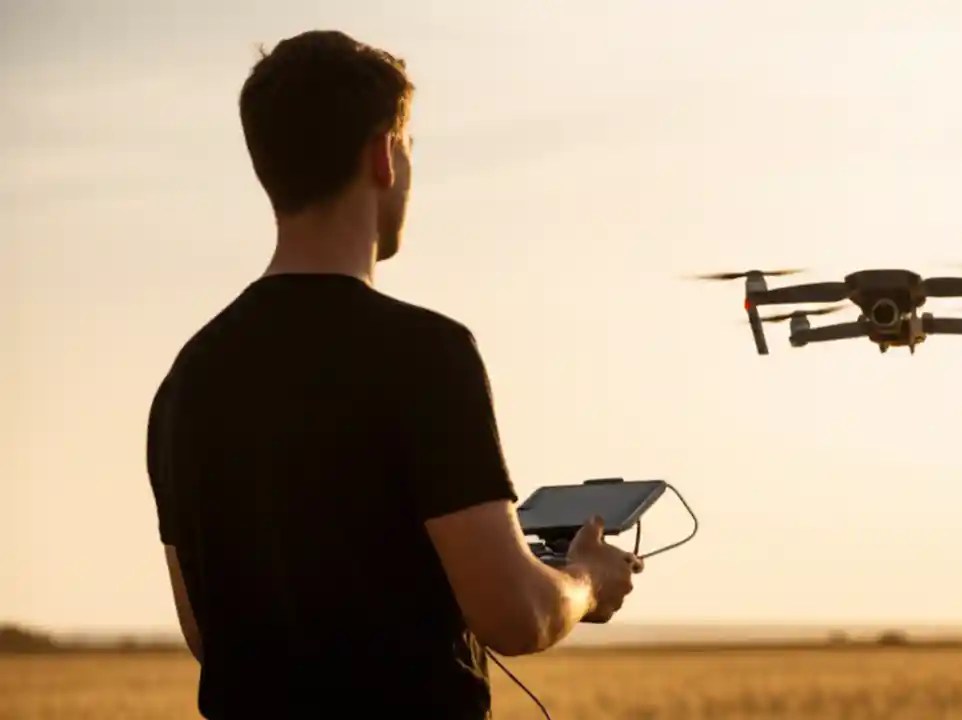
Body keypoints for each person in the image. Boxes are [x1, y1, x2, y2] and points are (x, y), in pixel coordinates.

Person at [144, 29, 643, 719]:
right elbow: (516, 615)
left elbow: (208, 637)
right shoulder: (428, 355)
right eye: (408, 149)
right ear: (383, 154)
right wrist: (587, 579)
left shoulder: (186, 381)